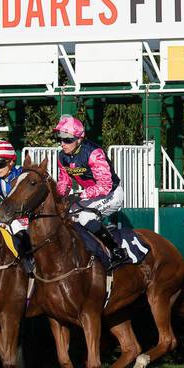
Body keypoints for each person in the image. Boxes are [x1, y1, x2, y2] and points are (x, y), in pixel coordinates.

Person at [53, 114, 128, 269]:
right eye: (60, 139)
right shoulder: (62, 157)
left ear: (79, 139)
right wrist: (59, 198)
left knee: (86, 217)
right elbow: (64, 182)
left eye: (67, 140)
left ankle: (117, 251)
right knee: (64, 215)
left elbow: (105, 185)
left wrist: (80, 195)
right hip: (91, 194)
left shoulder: (94, 153)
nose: (63, 144)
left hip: (112, 194)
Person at [0, 139, 31, 262]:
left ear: (11, 162)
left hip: (27, 216)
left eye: (0, 164)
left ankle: (30, 260)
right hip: (9, 216)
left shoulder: (22, 174)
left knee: (15, 227)